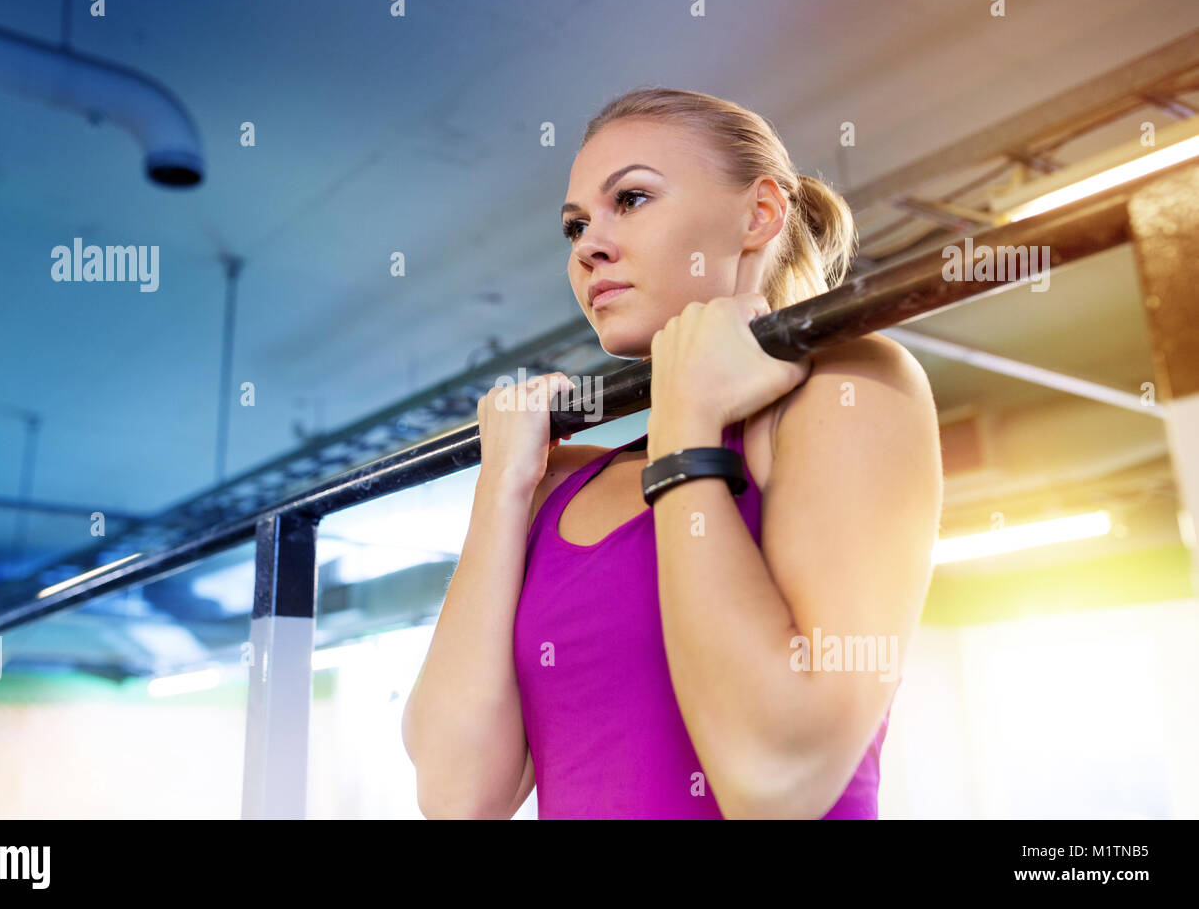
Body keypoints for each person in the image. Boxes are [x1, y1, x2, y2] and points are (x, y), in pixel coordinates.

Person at [403, 87, 942, 819]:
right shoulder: (556, 482)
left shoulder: (852, 386)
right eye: (575, 226)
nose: (588, 244)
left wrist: (685, 420)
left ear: (760, 214)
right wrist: (501, 483)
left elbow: (776, 776)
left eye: (630, 198)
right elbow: (457, 796)